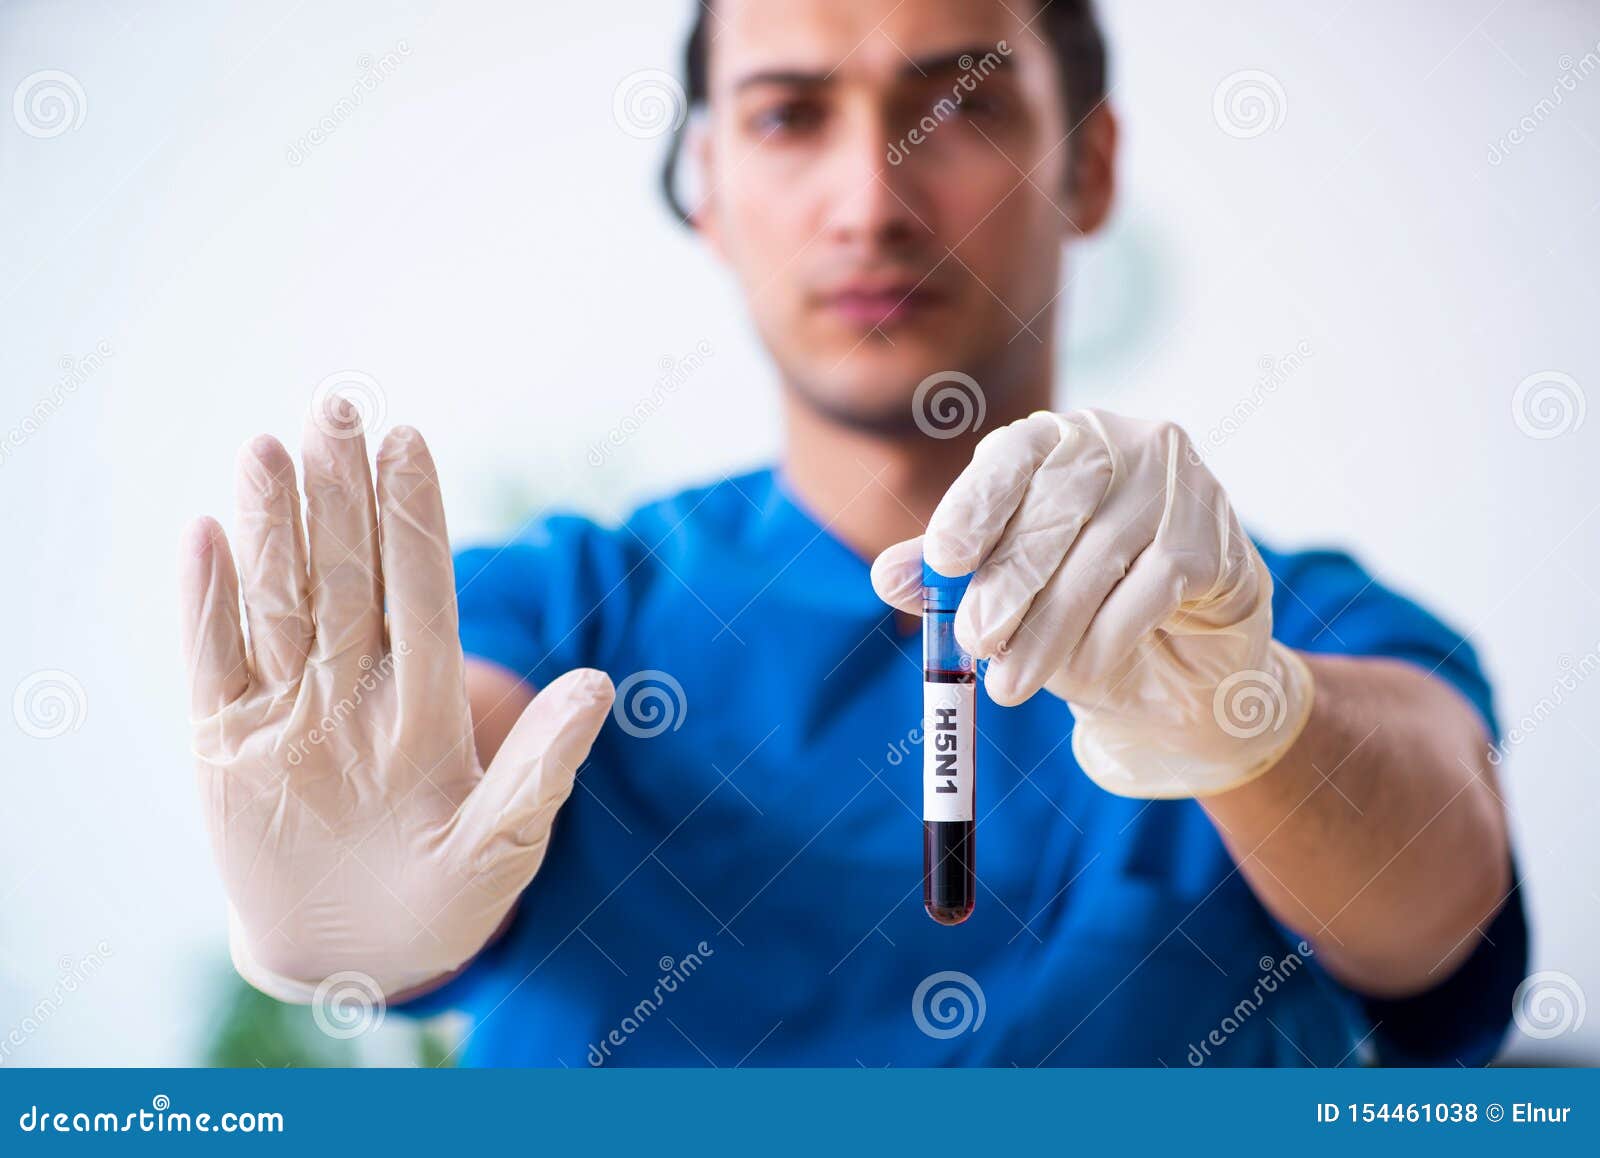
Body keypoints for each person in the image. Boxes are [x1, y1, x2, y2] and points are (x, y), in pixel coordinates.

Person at [178, 0, 1525, 1066]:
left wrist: (1261, 714)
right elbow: (438, 752)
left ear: (1093, 161)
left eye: (964, 103)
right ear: (702, 180)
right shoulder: (560, 609)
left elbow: (1444, 899)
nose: (871, 200)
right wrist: (345, 906)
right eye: (786, 117)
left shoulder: (1257, 612)